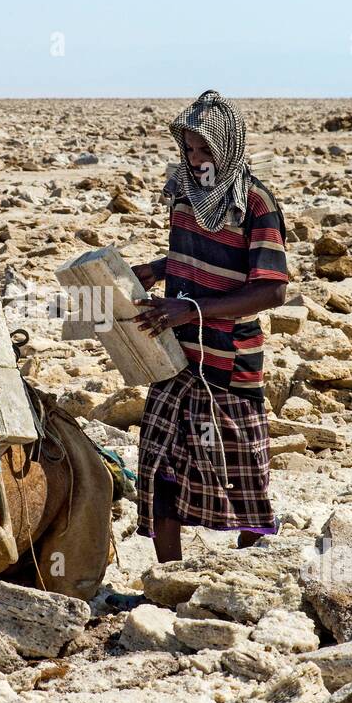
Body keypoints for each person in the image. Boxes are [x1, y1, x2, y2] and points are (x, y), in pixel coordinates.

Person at [130, 90, 290, 564]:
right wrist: (160, 268)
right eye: (190, 149)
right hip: (175, 353)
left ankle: (256, 566)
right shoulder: (183, 193)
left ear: (229, 147)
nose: (196, 159)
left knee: (242, 474)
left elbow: (271, 291)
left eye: (206, 150)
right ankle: (168, 584)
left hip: (228, 359)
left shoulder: (256, 204)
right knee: (161, 466)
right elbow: (197, 252)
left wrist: (191, 310)